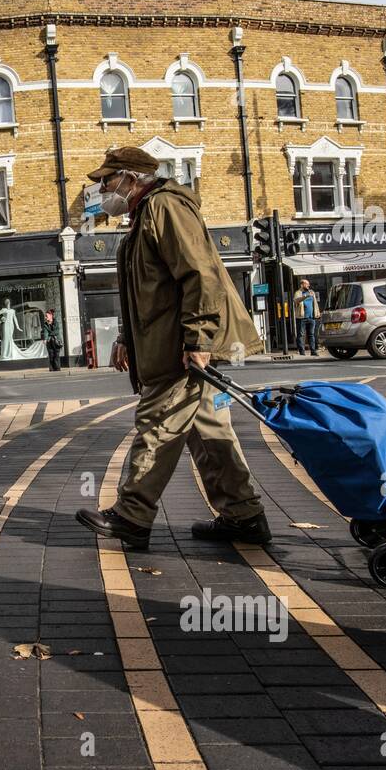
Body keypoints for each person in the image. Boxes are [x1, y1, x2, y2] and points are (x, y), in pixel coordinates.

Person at [74, 147, 272, 548]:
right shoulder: (144, 215)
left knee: (158, 424)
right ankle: (244, 516)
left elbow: (199, 275)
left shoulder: (166, 208)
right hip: (170, 343)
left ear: (132, 179)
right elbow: (146, 290)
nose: (101, 189)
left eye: (106, 181)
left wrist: (198, 339)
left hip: (179, 349)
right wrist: (127, 338)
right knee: (209, 431)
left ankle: (132, 515)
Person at [293, 279, 320, 357]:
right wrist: (305, 296)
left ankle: (313, 351)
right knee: (301, 335)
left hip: (311, 317)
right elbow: (296, 301)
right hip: (301, 317)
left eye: (308, 284)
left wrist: (317, 313)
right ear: (302, 285)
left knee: (311, 334)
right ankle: (302, 351)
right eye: (307, 284)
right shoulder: (298, 293)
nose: (308, 285)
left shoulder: (312, 292)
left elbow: (315, 304)